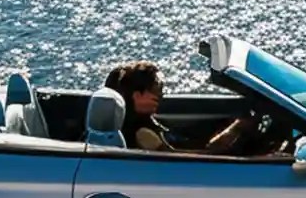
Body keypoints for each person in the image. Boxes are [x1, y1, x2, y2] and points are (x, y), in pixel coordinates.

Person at [103, 61, 253, 154]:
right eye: (155, 90)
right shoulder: (143, 134)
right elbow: (195, 159)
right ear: (137, 96)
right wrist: (236, 129)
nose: (160, 95)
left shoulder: (145, 123)